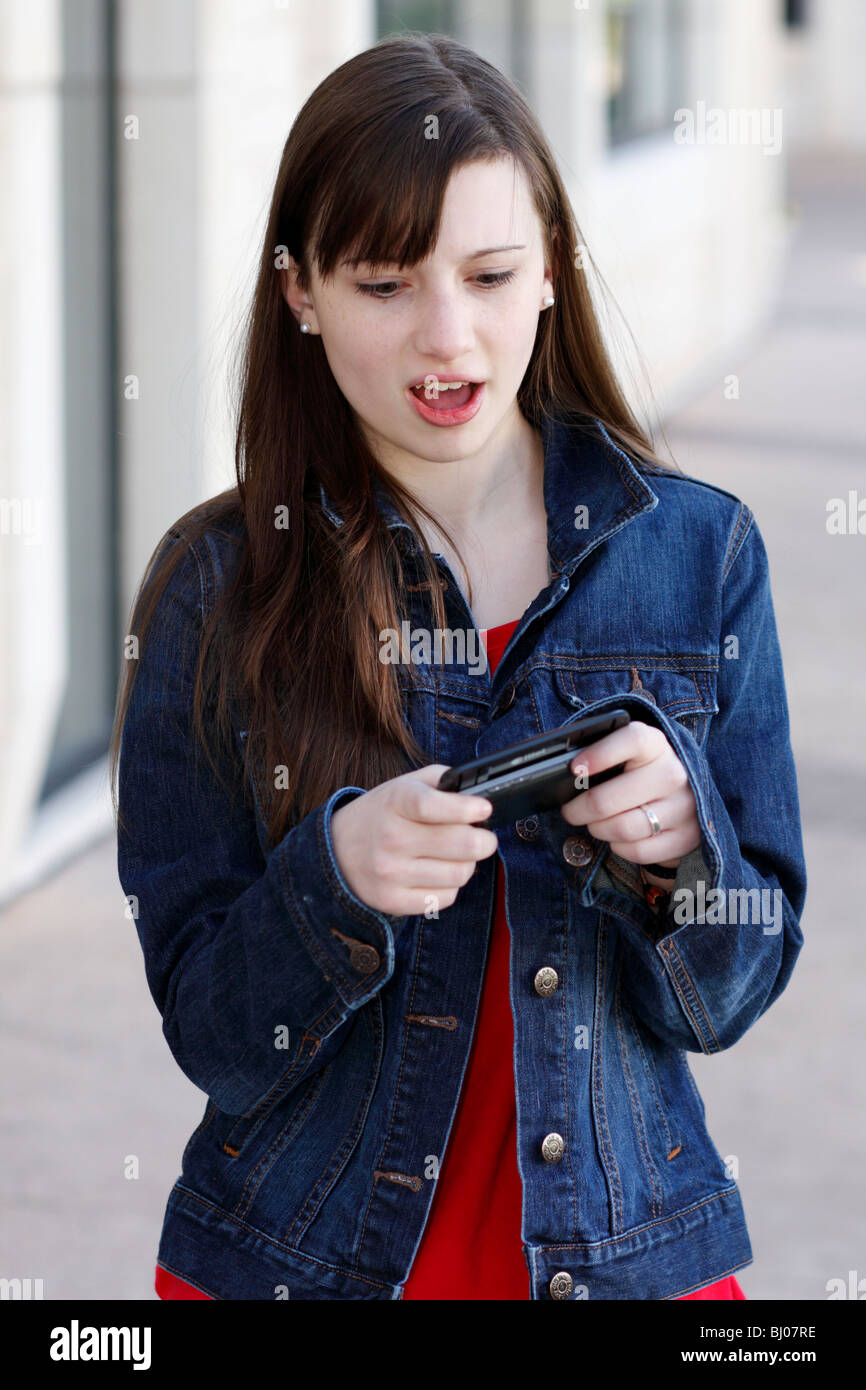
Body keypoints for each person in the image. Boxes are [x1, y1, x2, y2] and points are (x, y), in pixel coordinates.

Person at [112, 31, 806, 1301]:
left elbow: (733, 991)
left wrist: (681, 856)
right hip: (291, 1268)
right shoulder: (216, 585)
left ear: (550, 272)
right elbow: (215, 1037)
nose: (448, 337)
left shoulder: (698, 553)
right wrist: (335, 879)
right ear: (299, 290)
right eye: (383, 284)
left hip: (627, 1265)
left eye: (488, 274)